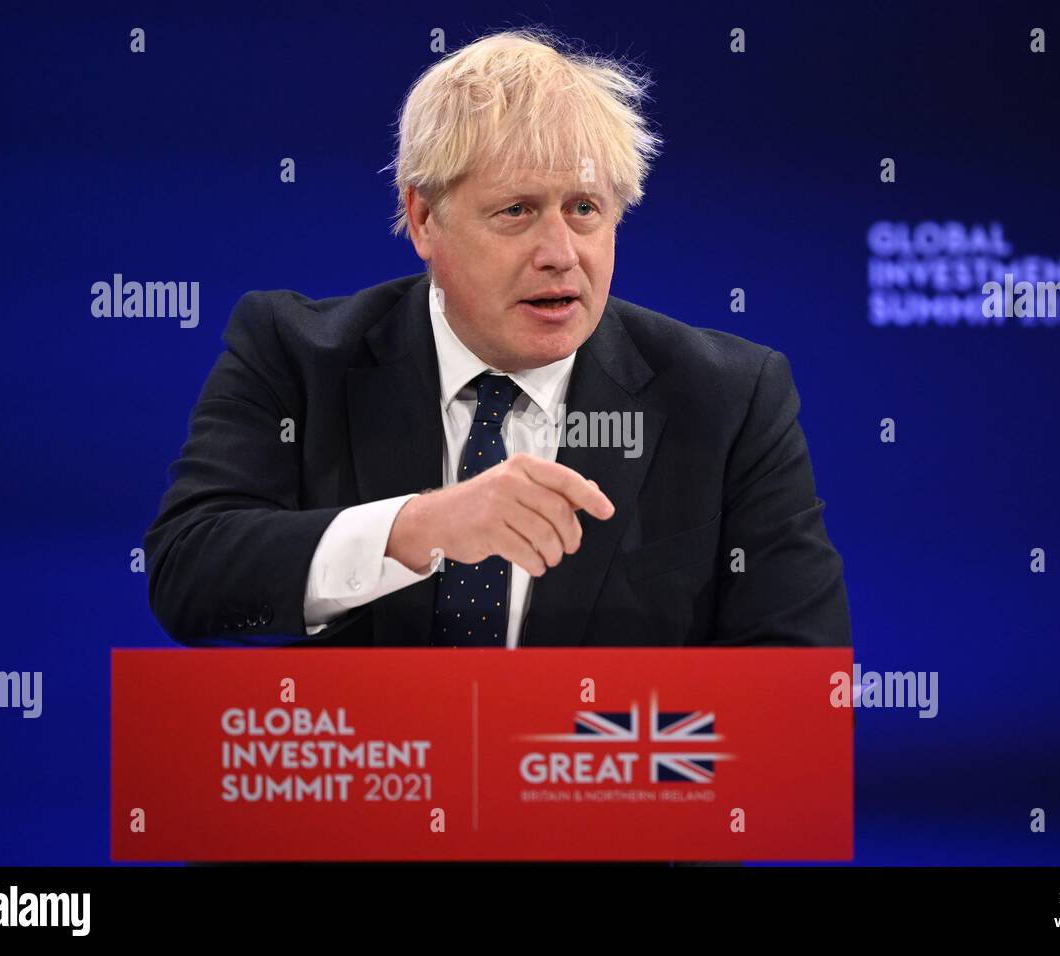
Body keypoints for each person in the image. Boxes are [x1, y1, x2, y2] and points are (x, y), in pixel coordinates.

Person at [143, 28, 851, 651]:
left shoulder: (727, 399)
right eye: (516, 210)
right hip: (366, 764)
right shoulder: (294, 355)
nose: (561, 254)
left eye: (584, 209)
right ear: (425, 219)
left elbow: (800, 685)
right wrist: (416, 528)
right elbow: (189, 576)